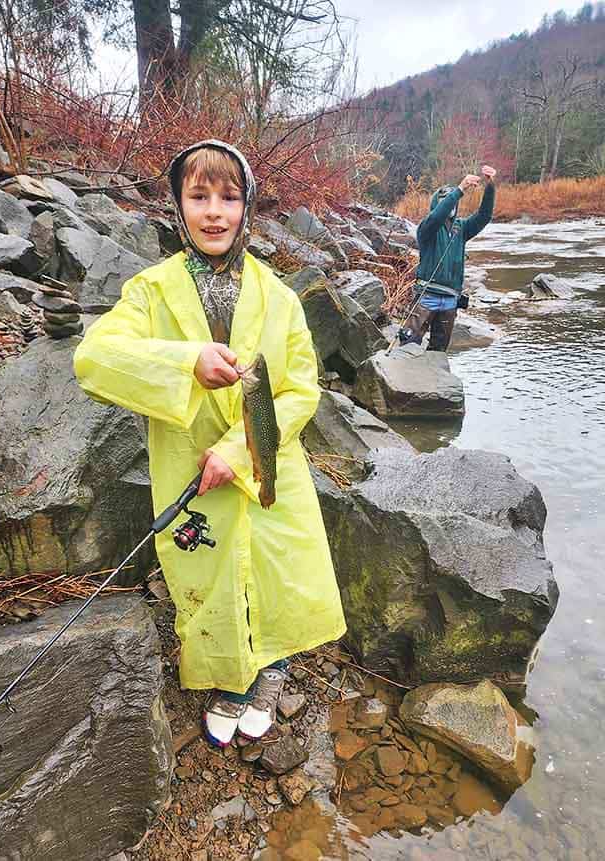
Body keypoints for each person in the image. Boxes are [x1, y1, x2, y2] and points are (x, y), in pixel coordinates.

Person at [73, 140, 346, 749]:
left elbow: (302, 389)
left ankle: (269, 669)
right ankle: (232, 676)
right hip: (188, 468)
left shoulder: (279, 295)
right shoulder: (150, 289)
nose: (214, 212)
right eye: (199, 197)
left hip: (266, 463)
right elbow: (94, 358)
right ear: (178, 205)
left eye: (228, 197)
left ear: (247, 206)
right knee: (212, 574)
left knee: (274, 570)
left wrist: (240, 451)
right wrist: (185, 362)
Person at [400, 165, 496, 351]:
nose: (451, 206)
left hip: (451, 299)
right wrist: (460, 189)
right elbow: (438, 215)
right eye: (446, 202)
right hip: (427, 296)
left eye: (452, 202)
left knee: (439, 350)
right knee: (407, 345)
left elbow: (485, 216)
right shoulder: (427, 227)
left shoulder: (462, 228)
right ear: (438, 203)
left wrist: (490, 186)